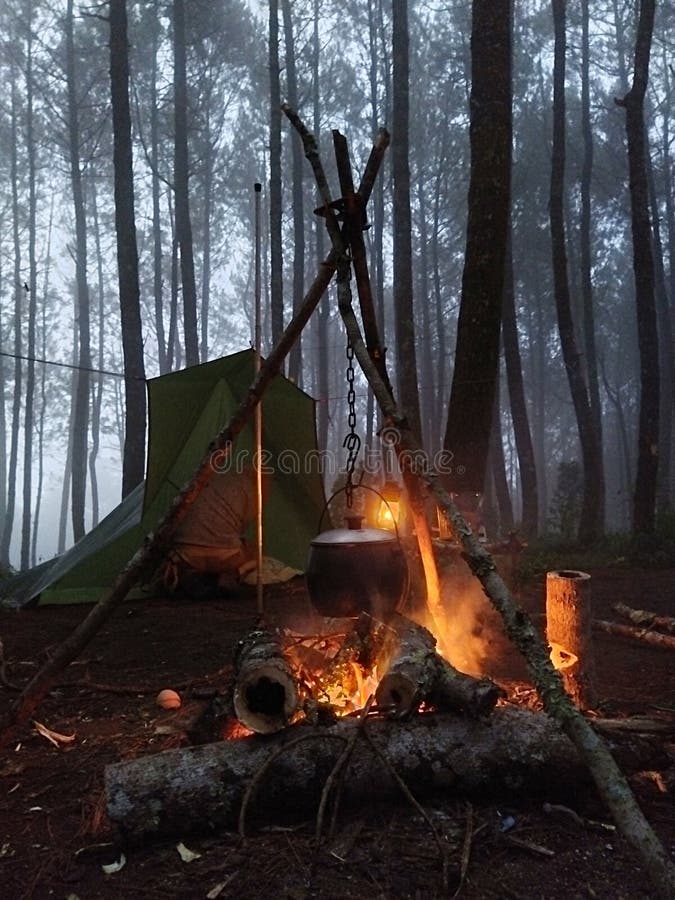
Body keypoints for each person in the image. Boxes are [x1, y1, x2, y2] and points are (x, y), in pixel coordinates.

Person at [162, 465, 267, 598]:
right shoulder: (251, 487)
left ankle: (193, 576)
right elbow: (244, 525)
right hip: (224, 555)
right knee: (255, 551)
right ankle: (235, 574)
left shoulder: (199, 476)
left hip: (185, 553)